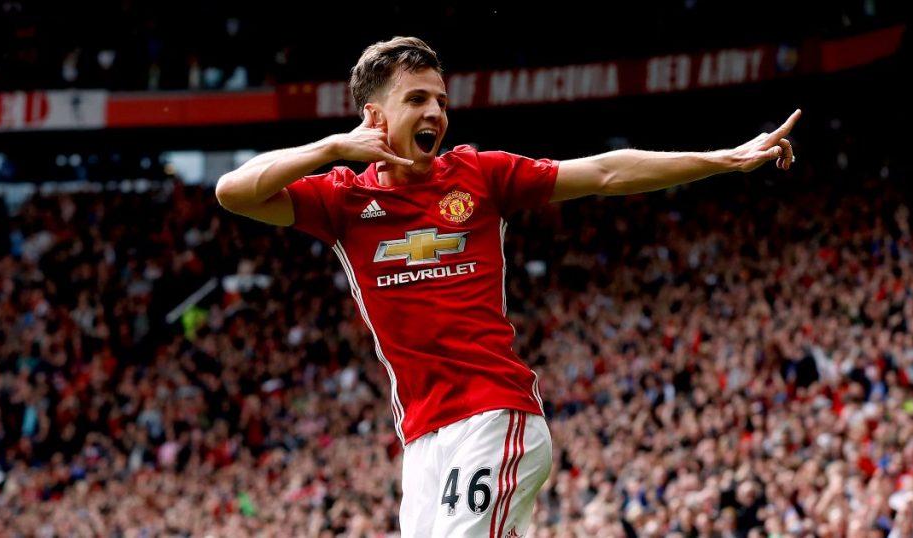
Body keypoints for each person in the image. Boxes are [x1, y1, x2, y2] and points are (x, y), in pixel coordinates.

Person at [215, 36, 799, 538]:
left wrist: (722, 159)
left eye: (441, 101)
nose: (435, 112)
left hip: (494, 415)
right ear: (374, 116)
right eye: (416, 99)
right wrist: (331, 148)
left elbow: (603, 172)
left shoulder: (478, 174)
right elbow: (233, 192)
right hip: (422, 439)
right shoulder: (342, 198)